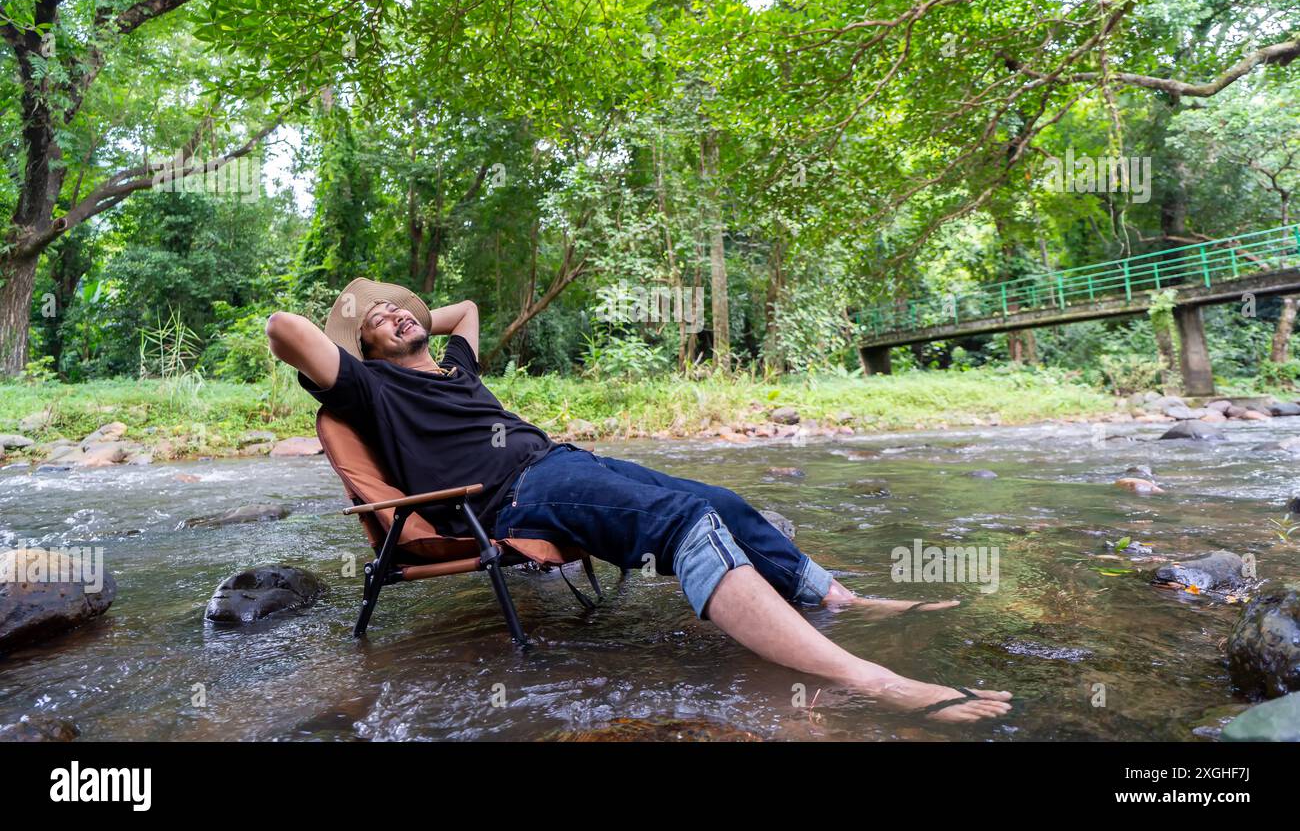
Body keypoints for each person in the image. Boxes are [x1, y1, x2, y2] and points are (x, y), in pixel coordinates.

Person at [266, 277, 1012, 723]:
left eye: (401, 312)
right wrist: (363, 318)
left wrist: (409, 316)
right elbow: (285, 329)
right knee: (686, 520)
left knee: (723, 498)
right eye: (377, 323)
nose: (394, 317)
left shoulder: (453, 363)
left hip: (560, 462)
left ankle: (839, 599)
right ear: (359, 352)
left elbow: (459, 311)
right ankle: (869, 679)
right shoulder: (371, 387)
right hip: (515, 497)